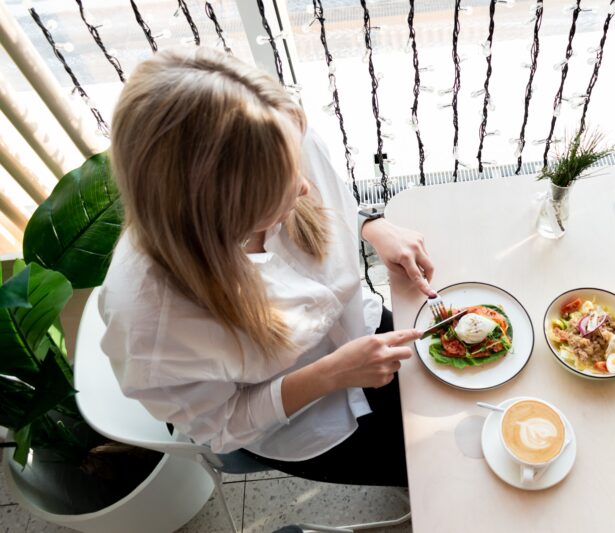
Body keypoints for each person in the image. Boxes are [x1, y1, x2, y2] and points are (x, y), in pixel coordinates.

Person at [99, 47, 435, 488]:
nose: (303, 187)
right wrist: (331, 373)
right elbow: (220, 426)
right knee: (433, 473)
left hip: (363, 328)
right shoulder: (155, 327)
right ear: (218, 212)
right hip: (306, 423)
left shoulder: (278, 137)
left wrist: (370, 224)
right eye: (279, 188)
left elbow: (327, 196)